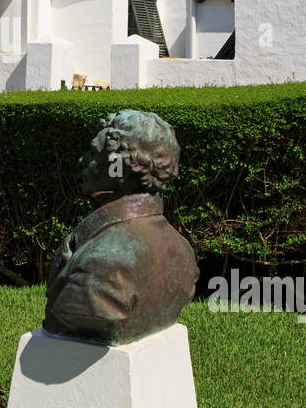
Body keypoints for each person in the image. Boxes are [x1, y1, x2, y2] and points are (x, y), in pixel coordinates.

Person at [44, 109, 198, 345]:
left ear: (119, 168)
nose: (83, 160)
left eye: (93, 153)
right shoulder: (184, 250)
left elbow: (82, 311)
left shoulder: (104, 264)